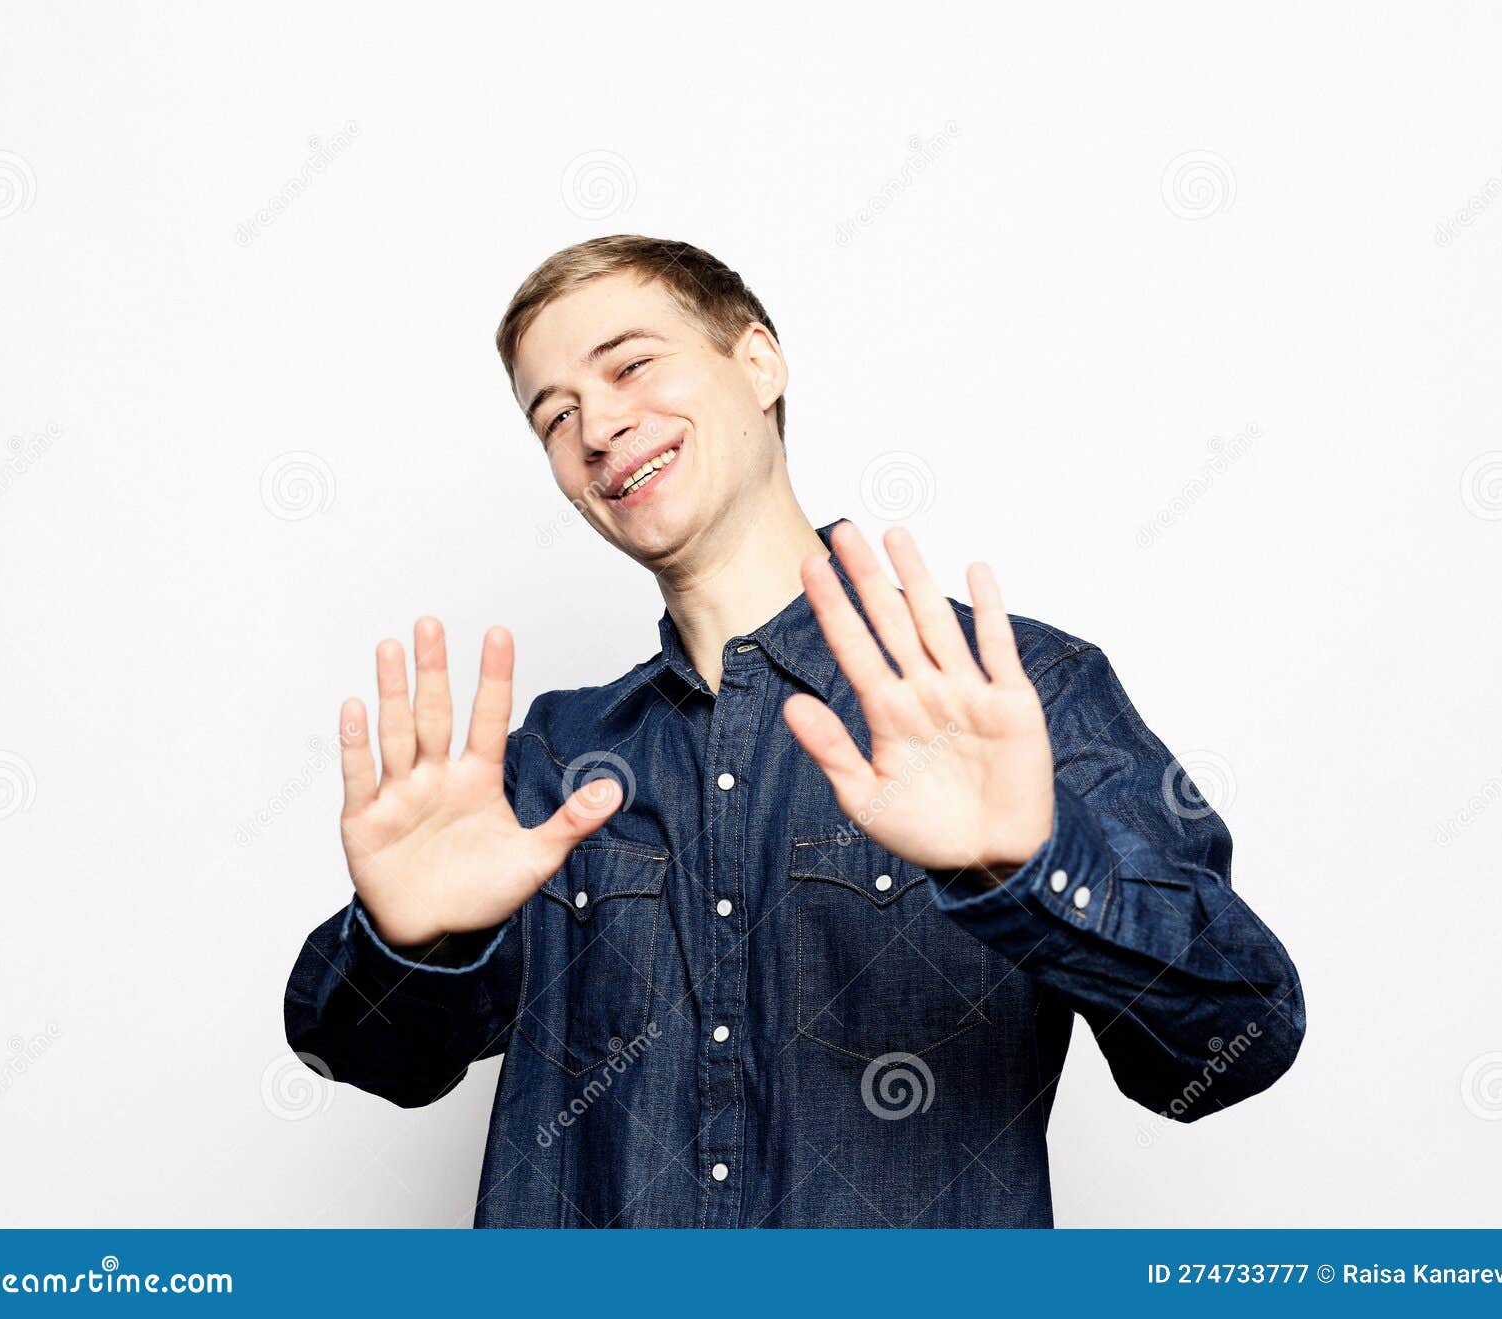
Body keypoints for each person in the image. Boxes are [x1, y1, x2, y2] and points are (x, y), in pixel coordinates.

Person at [283, 235, 1305, 1228]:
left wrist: (1032, 868)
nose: (596, 426)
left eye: (630, 365)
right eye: (555, 414)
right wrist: (411, 943)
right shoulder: (552, 762)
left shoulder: (1013, 691)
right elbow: (374, 1057)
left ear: (759, 363)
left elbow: (1238, 1037)